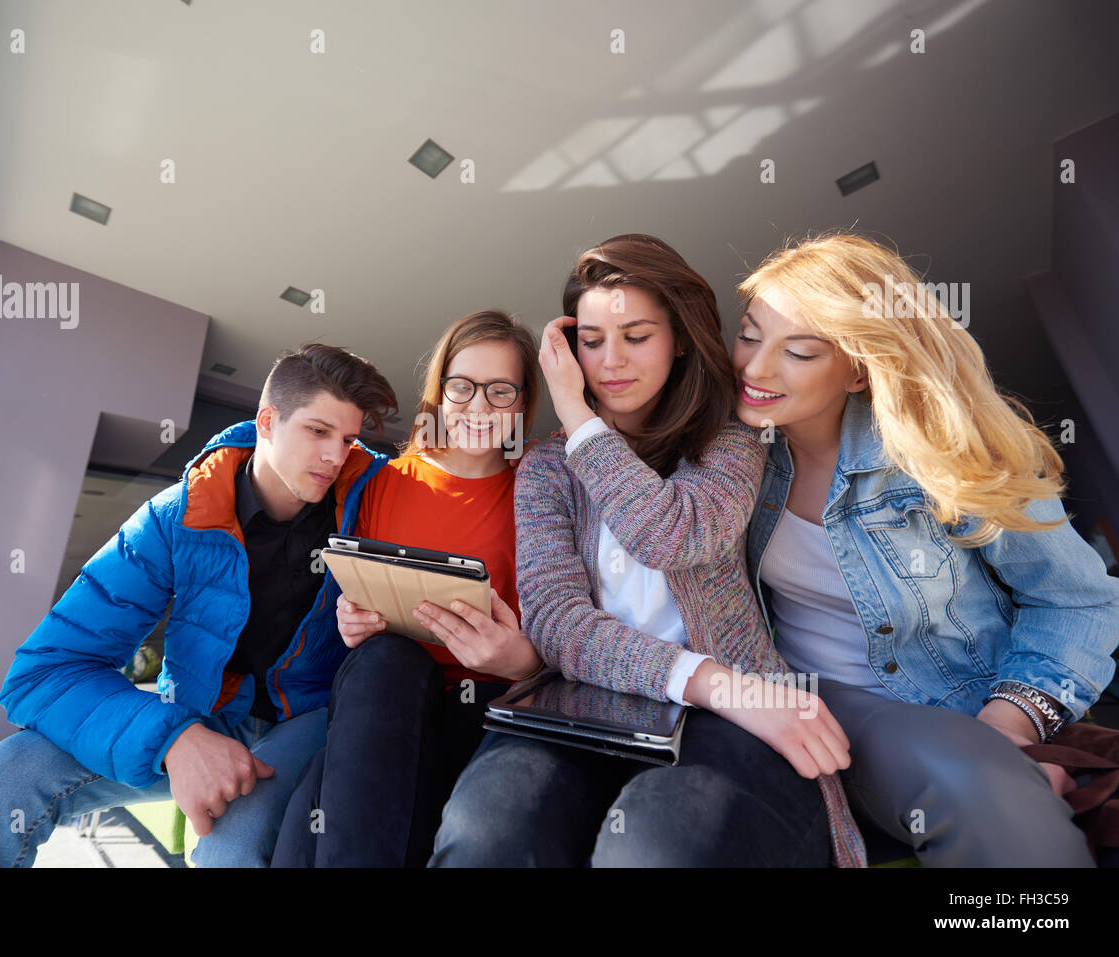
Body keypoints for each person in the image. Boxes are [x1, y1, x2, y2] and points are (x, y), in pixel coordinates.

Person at [430, 234, 867, 868]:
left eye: (636, 337)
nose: (611, 362)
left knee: (656, 847)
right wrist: (712, 683)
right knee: (487, 834)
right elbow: (555, 621)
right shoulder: (548, 466)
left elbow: (673, 536)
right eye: (592, 340)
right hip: (597, 696)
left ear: (680, 338)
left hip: (729, 712)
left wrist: (581, 425)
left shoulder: (732, 437)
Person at [0, 343, 398, 867]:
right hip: (202, 718)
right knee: (14, 766)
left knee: (232, 846)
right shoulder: (175, 518)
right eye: (317, 431)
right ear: (267, 421)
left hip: (308, 721)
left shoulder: (376, 502)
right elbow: (42, 673)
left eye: (348, 438)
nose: (335, 455)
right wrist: (174, 736)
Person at [731, 231, 1119, 866]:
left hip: (951, 718)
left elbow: (1076, 601)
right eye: (749, 334)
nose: (754, 368)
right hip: (796, 709)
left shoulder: (950, 455)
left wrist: (1004, 730)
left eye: (797, 351)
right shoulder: (735, 457)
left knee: (1004, 814)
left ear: (858, 368)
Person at [272, 310, 543, 867]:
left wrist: (524, 661)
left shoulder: (538, 491)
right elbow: (357, 584)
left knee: (325, 827)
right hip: (383, 699)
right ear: (439, 390)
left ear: (522, 404)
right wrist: (353, 619)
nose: (478, 406)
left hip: (484, 701)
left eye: (501, 391)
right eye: (462, 386)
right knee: (386, 663)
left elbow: (563, 626)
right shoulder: (385, 480)